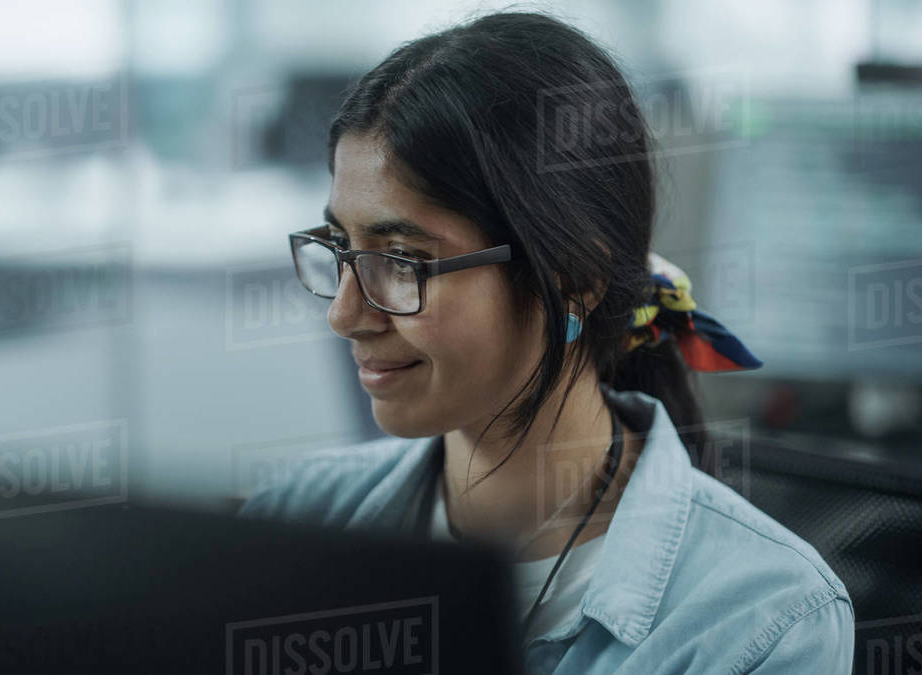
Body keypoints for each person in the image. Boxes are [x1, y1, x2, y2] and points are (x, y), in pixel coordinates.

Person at [238, 11, 854, 674]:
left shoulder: (764, 619)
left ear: (575, 281)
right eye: (340, 249)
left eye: (403, 260)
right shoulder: (296, 518)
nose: (344, 314)